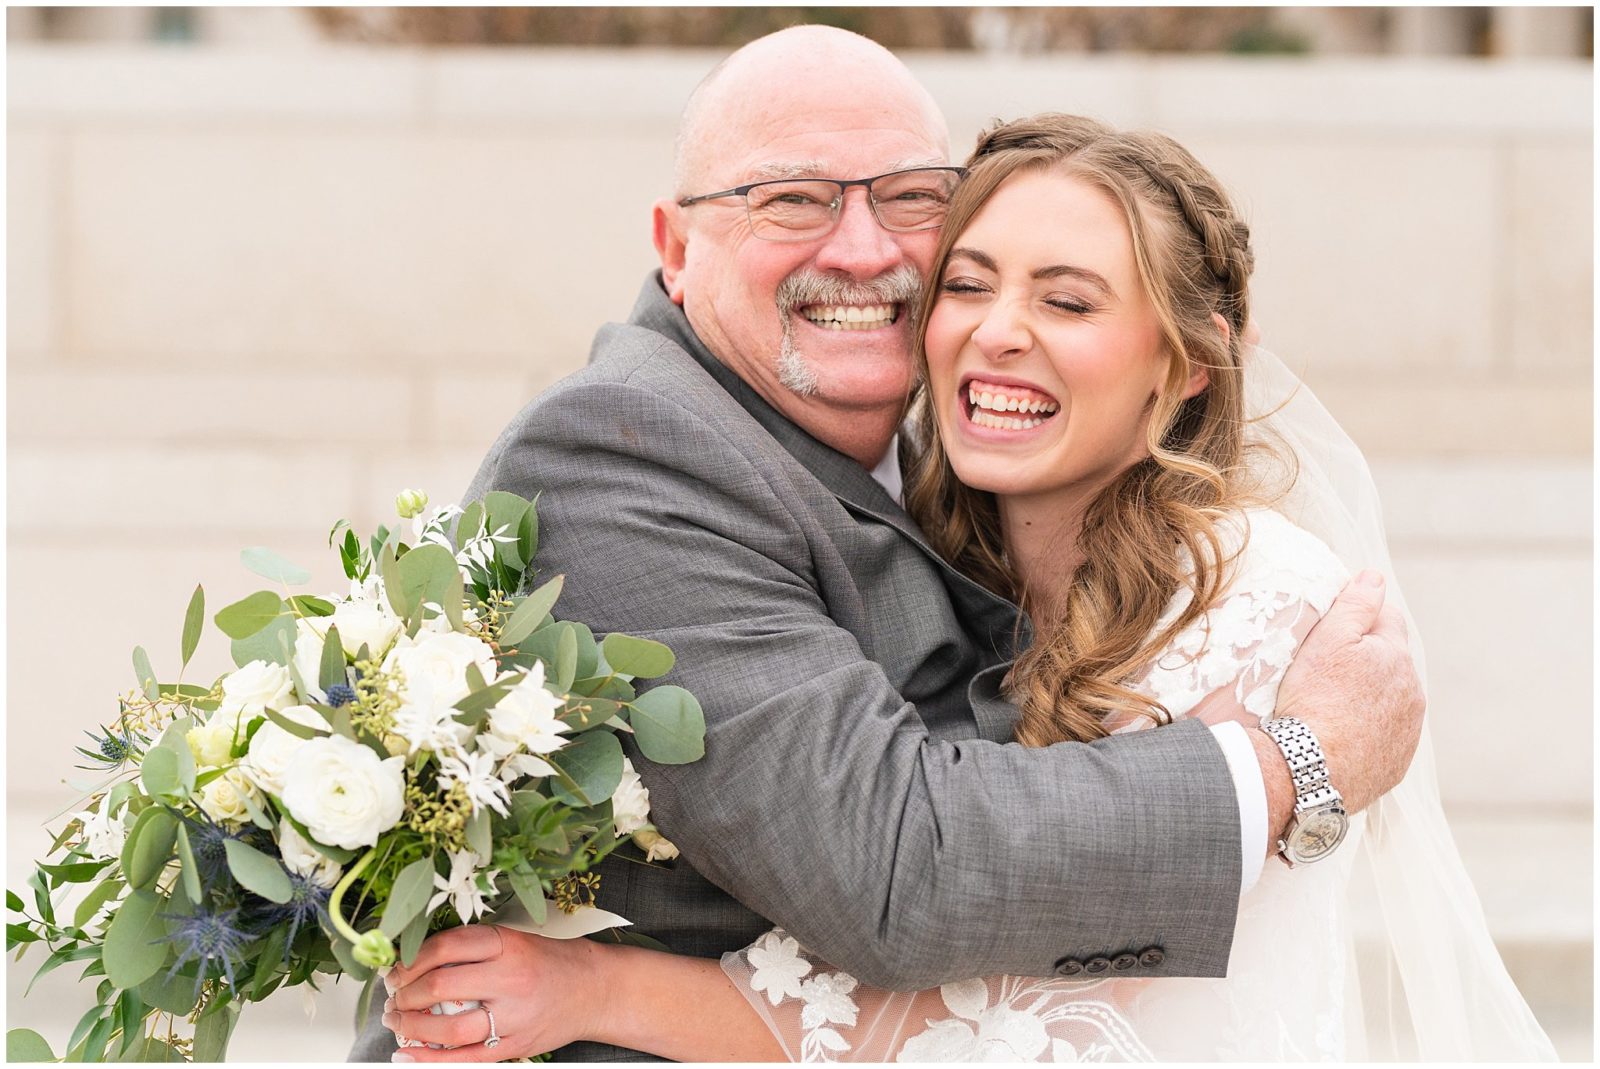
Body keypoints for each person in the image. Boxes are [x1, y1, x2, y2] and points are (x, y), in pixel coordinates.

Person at [369, 113, 1553, 1063]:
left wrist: (599, 988)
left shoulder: (1260, 603)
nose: (996, 333)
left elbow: (999, 1012)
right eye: (970, 283)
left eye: (1069, 300)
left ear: (1185, 364)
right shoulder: (939, 544)